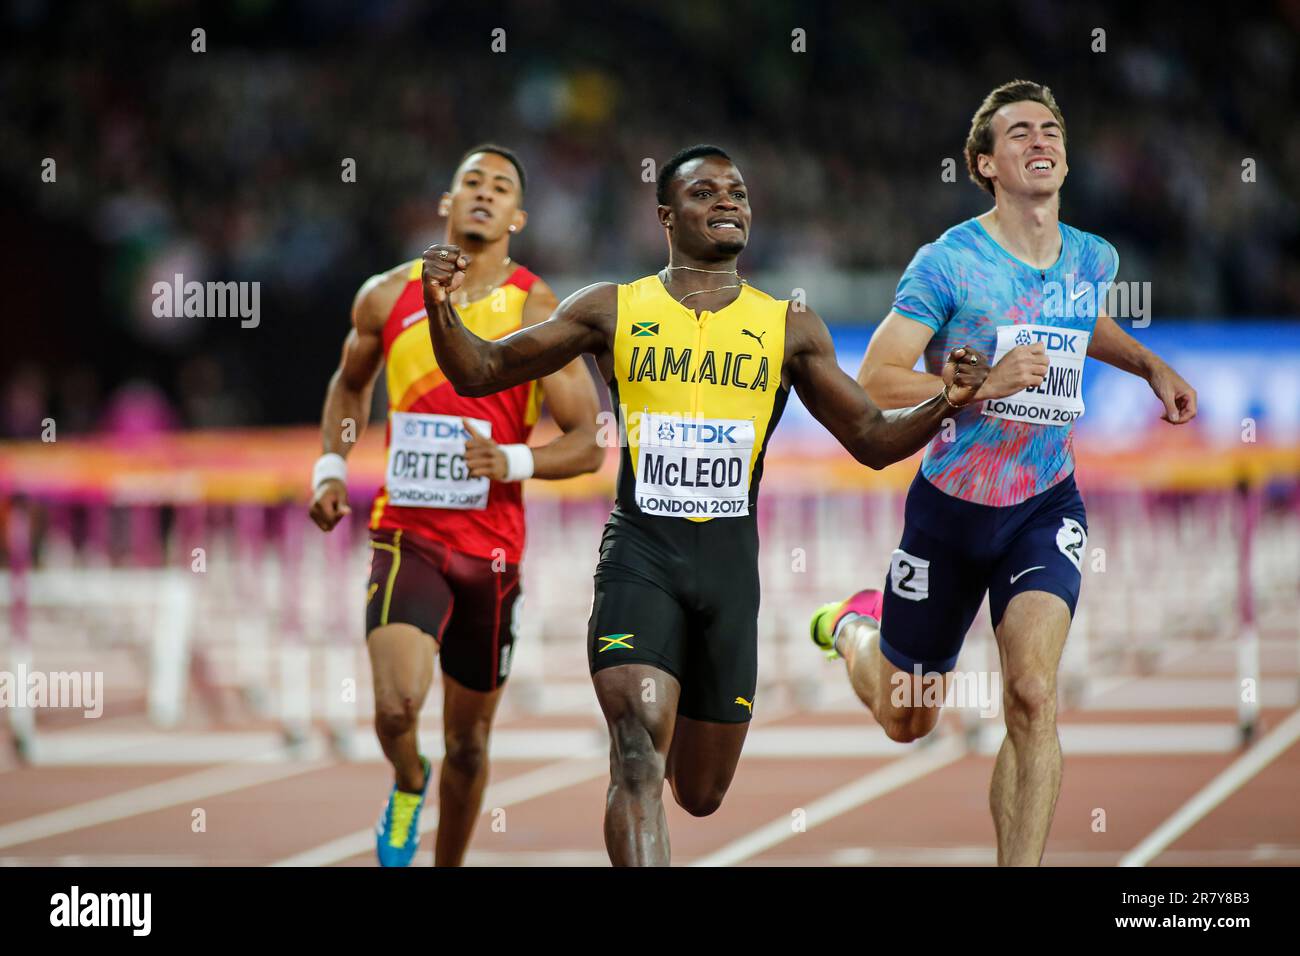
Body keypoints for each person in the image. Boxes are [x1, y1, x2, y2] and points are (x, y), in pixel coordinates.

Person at [418, 144, 991, 865]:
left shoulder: (789, 328)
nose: (727, 201)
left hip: (727, 572)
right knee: (636, 753)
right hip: (640, 558)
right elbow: (483, 369)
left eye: (738, 192)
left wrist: (948, 402)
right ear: (665, 215)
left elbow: (872, 440)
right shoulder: (610, 308)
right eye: (705, 192)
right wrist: (441, 307)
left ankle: (848, 628)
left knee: (700, 791)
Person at [809, 80, 1199, 865]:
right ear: (986, 163)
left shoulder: (1093, 255)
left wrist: (1151, 366)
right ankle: (854, 625)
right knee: (906, 715)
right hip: (949, 512)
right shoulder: (949, 263)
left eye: (1050, 128)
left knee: (1031, 694)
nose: (1040, 140)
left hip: (1044, 506)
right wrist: (980, 383)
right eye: (1018, 133)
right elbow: (876, 377)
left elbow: (1082, 320)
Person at [308, 144, 603, 867]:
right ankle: (409, 778)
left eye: (501, 187)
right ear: (446, 201)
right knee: (396, 707)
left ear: (518, 216)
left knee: (469, 744)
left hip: (493, 553)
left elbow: (590, 442)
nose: (484, 193)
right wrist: (330, 465)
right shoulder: (386, 294)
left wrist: (512, 459)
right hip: (407, 534)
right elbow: (351, 383)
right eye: (471, 180)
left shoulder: (539, 308)